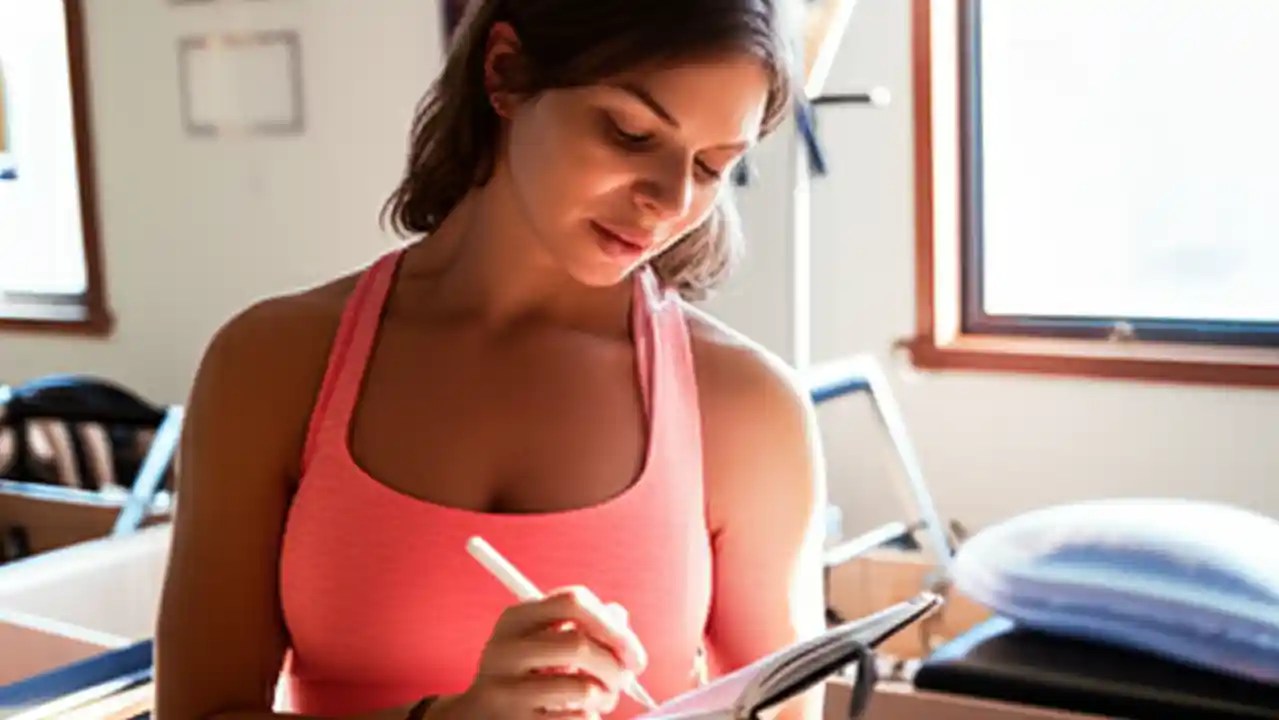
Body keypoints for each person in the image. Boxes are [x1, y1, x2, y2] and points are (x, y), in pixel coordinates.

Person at [155, 0, 828, 718]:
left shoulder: (747, 409)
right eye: (630, 133)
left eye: (713, 165)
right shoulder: (271, 365)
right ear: (505, 73)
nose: (670, 198)